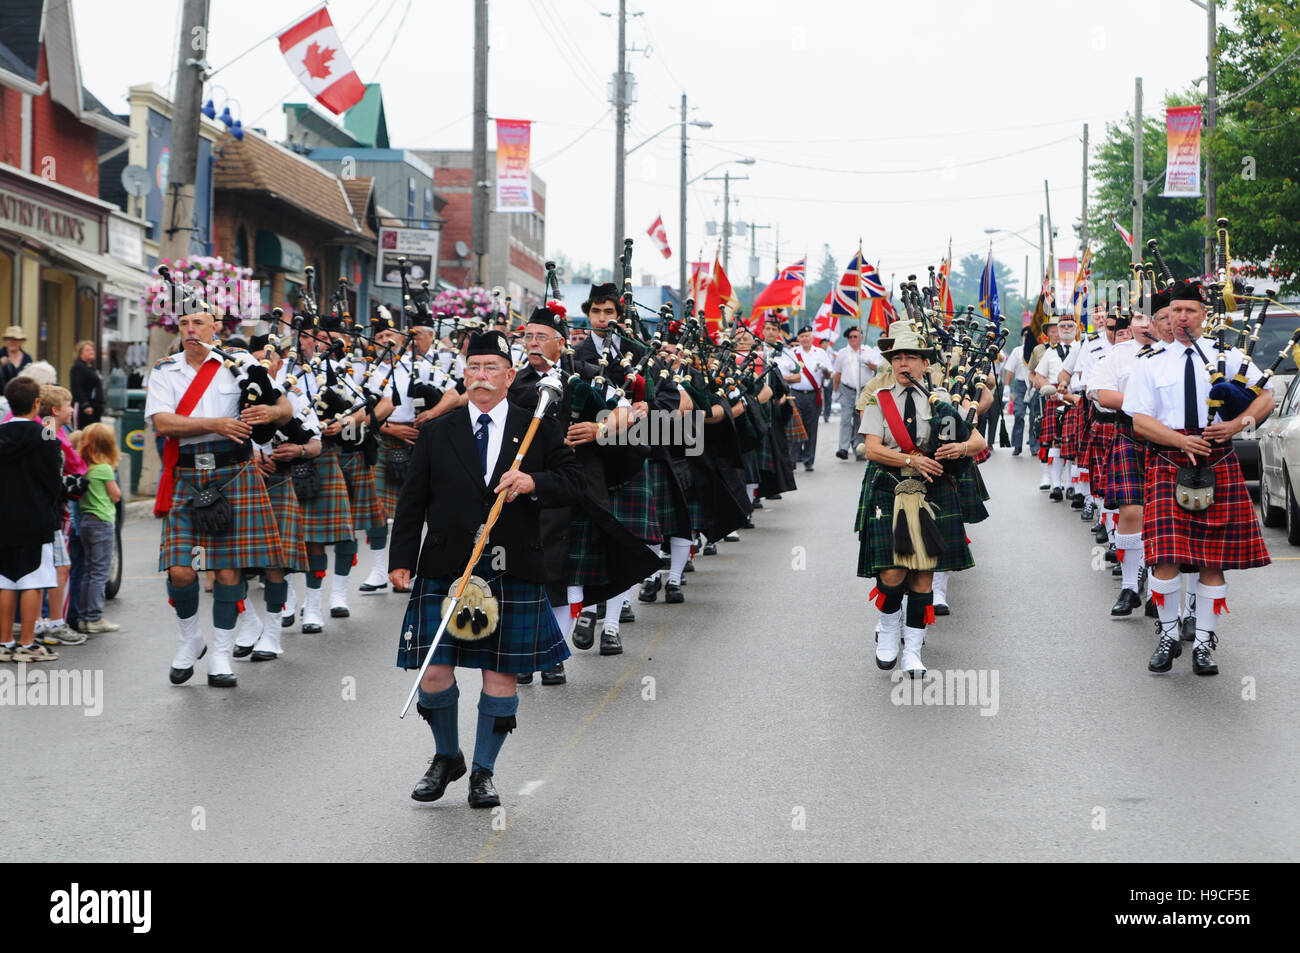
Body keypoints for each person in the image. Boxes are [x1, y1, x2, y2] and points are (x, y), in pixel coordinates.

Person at [390, 329, 584, 807]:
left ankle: (483, 771)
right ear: (464, 374)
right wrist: (400, 561)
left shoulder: (535, 425)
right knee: (434, 672)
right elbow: (413, 500)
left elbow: (573, 480)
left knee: (500, 678)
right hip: (446, 565)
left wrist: (531, 479)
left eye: (492, 368)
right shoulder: (439, 430)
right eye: (474, 367)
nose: (482, 376)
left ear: (509, 376)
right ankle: (446, 757)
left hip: (511, 564)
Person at [1123, 281, 1274, 676]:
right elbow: (1139, 419)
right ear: (1167, 317)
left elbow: (1266, 397)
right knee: (1165, 557)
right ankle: (1169, 634)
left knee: (1213, 560)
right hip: (1170, 461)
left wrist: (1238, 424)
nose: (1183, 317)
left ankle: (1204, 643)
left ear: (1205, 315)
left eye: (1191, 310)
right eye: (1177, 311)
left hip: (1217, 457)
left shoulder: (1229, 357)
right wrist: (1178, 439)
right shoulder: (1151, 361)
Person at [146, 306, 292, 688]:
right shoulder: (165, 370)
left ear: (215, 328)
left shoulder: (240, 363)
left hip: (235, 471)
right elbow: (163, 423)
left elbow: (285, 408)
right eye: (184, 323)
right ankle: (190, 638)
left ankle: (222, 655)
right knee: (180, 568)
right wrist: (215, 424)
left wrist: (269, 412)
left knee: (228, 571)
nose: (190, 329)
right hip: (188, 474)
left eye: (198, 323)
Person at [856, 323, 984, 676]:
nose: (903, 363)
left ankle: (912, 650)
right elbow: (872, 449)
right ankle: (887, 629)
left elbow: (977, 442)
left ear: (925, 363)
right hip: (889, 485)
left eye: (911, 356)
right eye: (897, 357)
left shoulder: (941, 401)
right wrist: (910, 459)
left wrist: (960, 446)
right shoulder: (879, 399)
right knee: (894, 571)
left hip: (933, 490)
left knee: (923, 576)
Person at [0, 377, 63, 663]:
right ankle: (27, 643)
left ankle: (4, 642)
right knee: (31, 580)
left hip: (3, 516)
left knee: (5, 581)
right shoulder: (45, 435)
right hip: (35, 515)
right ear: (37, 403)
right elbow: (52, 478)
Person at [75, 422, 122, 634]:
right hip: (102, 522)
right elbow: (116, 495)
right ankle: (95, 617)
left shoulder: (85, 468)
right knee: (100, 572)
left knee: (89, 570)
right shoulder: (104, 469)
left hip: (86, 520)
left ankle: (84, 616)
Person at [778, 324, 833, 472]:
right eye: (802, 336)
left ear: (812, 337)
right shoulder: (792, 352)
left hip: (813, 395)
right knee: (795, 427)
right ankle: (793, 459)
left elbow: (829, 375)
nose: (805, 339)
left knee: (811, 428)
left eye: (807, 336)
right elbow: (783, 372)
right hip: (795, 394)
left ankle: (809, 460)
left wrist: (824, 369)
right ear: (799, 338)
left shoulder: (820, 352)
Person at [832, 326, 879, 461]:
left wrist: (867, 362)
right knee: (846, 419)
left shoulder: (868, 351)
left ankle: (859, 448)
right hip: (847, 389)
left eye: (856, 336)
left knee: (860, 420)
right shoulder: (842, 353)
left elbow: (878, 368)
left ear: (861, 337)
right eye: (850, 337)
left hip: (865, 390)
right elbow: (837, 373)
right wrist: (835, 392)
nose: (853, 339)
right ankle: (843, 448)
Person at [1002, 338, 1030, 455]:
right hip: (1020, 385)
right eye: (1025, 335)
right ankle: (1017, 445)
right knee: (1018, 414)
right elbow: (1010, 370)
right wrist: (1007, 386)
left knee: (1035, 416)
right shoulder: (1017, 351)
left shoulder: (1039, 350)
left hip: (1036, 384)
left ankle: (1035, 446)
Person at [70, 340, 106, 429]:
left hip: (95, 407)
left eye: (92, 350)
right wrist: (85, 404)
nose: (91, 352)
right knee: (83, 432)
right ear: (80, 353)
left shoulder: (91, 368)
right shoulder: (78, 367)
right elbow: (77, 388)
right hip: (85, 408)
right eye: (88, 350)